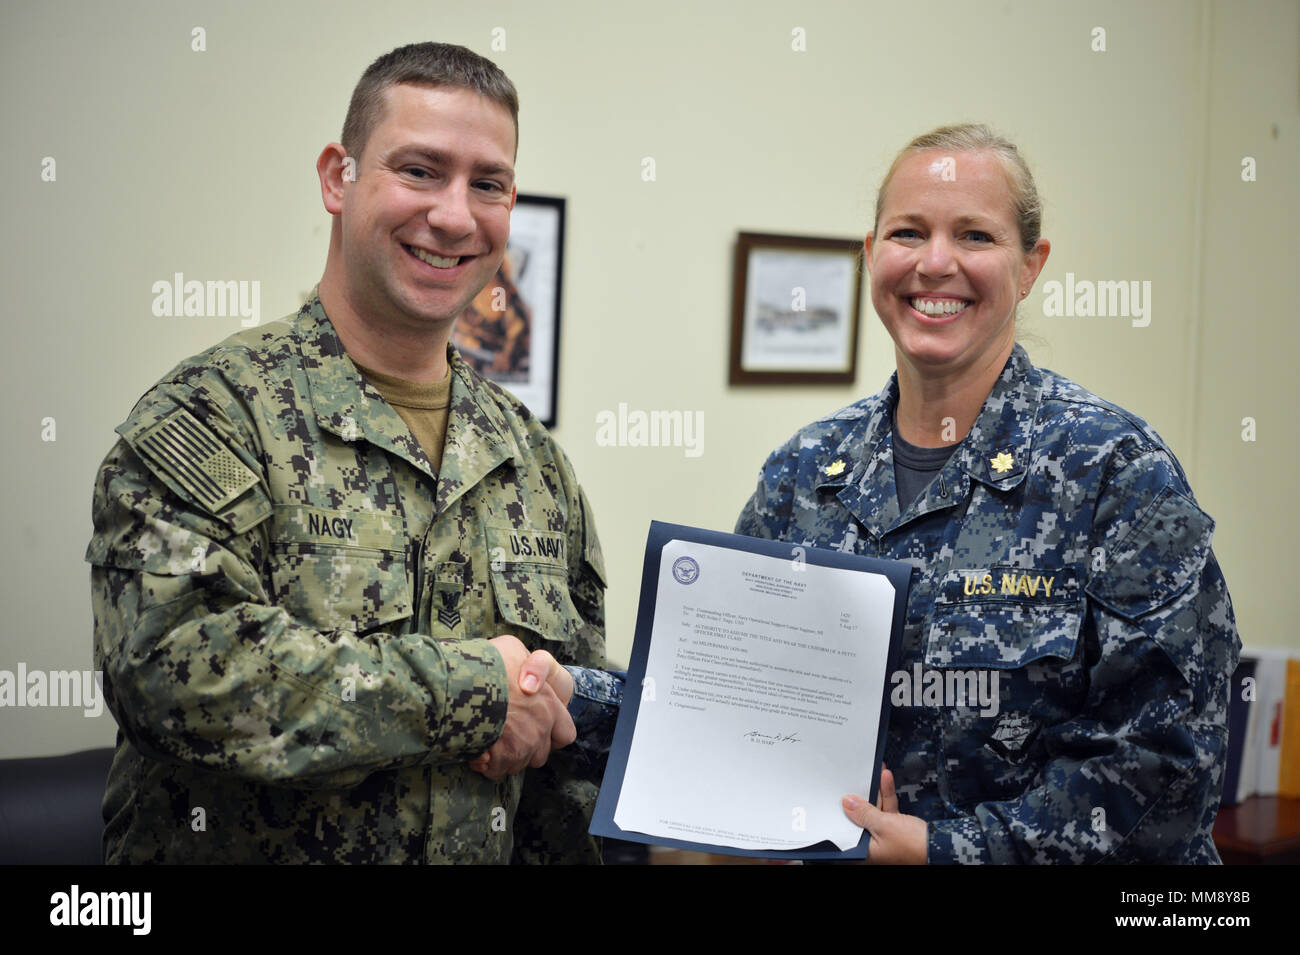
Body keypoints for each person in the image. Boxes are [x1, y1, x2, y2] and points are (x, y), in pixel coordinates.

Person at [85, 42, 612, 864]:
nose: (453, 215)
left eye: (488, 183)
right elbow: (171, 672)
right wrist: (474, 694)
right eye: (420, 170)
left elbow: (561, 748)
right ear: (339, 177)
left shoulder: (534, 464)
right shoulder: (214, 416)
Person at [735, 124, 1240, 864]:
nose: (936, 263)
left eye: (974, 235)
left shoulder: (1115, 474)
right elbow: (724, 691)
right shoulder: (803, 473)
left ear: (1030, 266)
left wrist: (948, 853)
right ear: (872, 254)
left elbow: (1168, 773)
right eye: (909, 232)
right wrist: (556, 692)